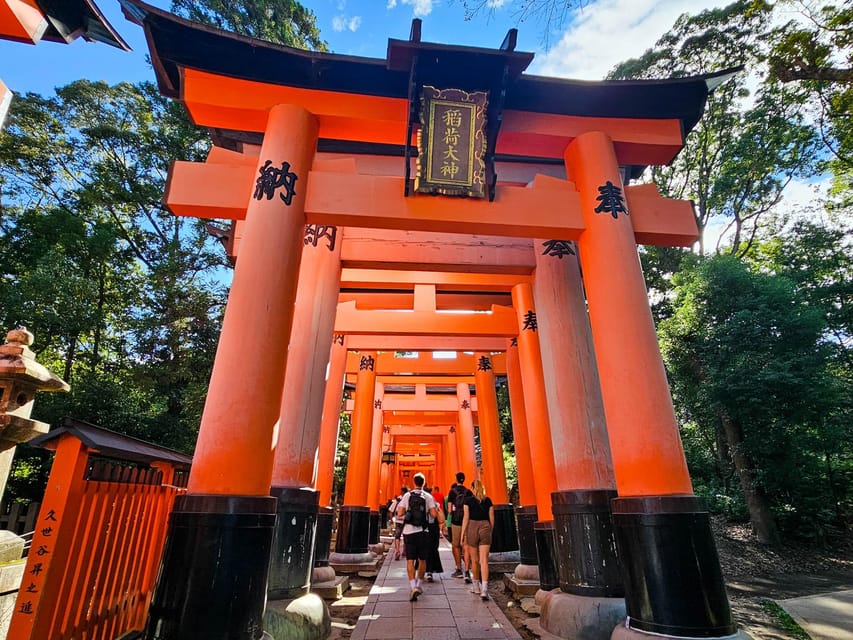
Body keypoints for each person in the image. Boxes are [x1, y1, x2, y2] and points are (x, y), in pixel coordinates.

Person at [396, 472, 439, 601]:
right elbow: (433, 515)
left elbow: (400, 512)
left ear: (414, 483)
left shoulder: (407, 495)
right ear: (424, 483)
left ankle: (412, 586)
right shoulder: (428, 496)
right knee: (422, 560)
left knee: (410, 560)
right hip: (423, 531)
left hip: (409, 531)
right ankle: (419, 585)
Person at [460, 479, 494, 601]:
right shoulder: (488, 500)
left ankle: (476, 586)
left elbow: (466, 518)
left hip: (472, 527)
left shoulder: (468, 501)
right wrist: (490, 530)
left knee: (475, 560)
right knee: (484, 560)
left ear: (473, 488)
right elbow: (492, 518)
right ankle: (485, 589)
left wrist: (463, 534)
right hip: (485, 526)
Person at [447, 472, 474, 581]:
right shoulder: (468, 492)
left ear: (456, 479)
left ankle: (459, 569)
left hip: (456, 521)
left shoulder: (452, 492)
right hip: (467, 522)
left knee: (456, 545)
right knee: (466, 546)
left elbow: (449, 510)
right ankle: (467, 570)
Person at [423, 486, 446, 582]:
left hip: (423, 528)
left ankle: (425, 570)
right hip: (434, 528)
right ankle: (430, 571)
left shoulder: (421, 504)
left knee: (424, 550)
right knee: (433, 550)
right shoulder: (435, 504)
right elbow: (439, 517)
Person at [389, 486, 408, 561]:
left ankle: (397, 551)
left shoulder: (397, 500)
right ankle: (404, 551)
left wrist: (391, 520)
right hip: (406, 521)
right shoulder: (409, 500)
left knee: (397, 536)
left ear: (401, 492)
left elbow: (391, 511)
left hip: (398, 521)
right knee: (406, 536)